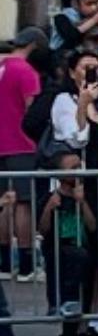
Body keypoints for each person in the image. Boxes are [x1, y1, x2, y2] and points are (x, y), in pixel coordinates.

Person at [42, 152, 97, 336]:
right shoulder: (51, 197)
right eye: (71, 168)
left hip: (82, 250)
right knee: (69, 295)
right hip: (60, 251)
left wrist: (82, 203)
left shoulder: (85, 194)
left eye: (79, 166)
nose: (77, 171)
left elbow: (92, 226)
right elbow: (42, 229)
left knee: (80, 296)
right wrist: (49, 208)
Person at [0, 28, 45, 279]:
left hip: (1, 143)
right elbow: (32, 111)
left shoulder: (2, 67)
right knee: (23, 204)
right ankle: (27, 265)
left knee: (4, 203)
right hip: (22, 143)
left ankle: (4, 263)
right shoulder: (26, 71)